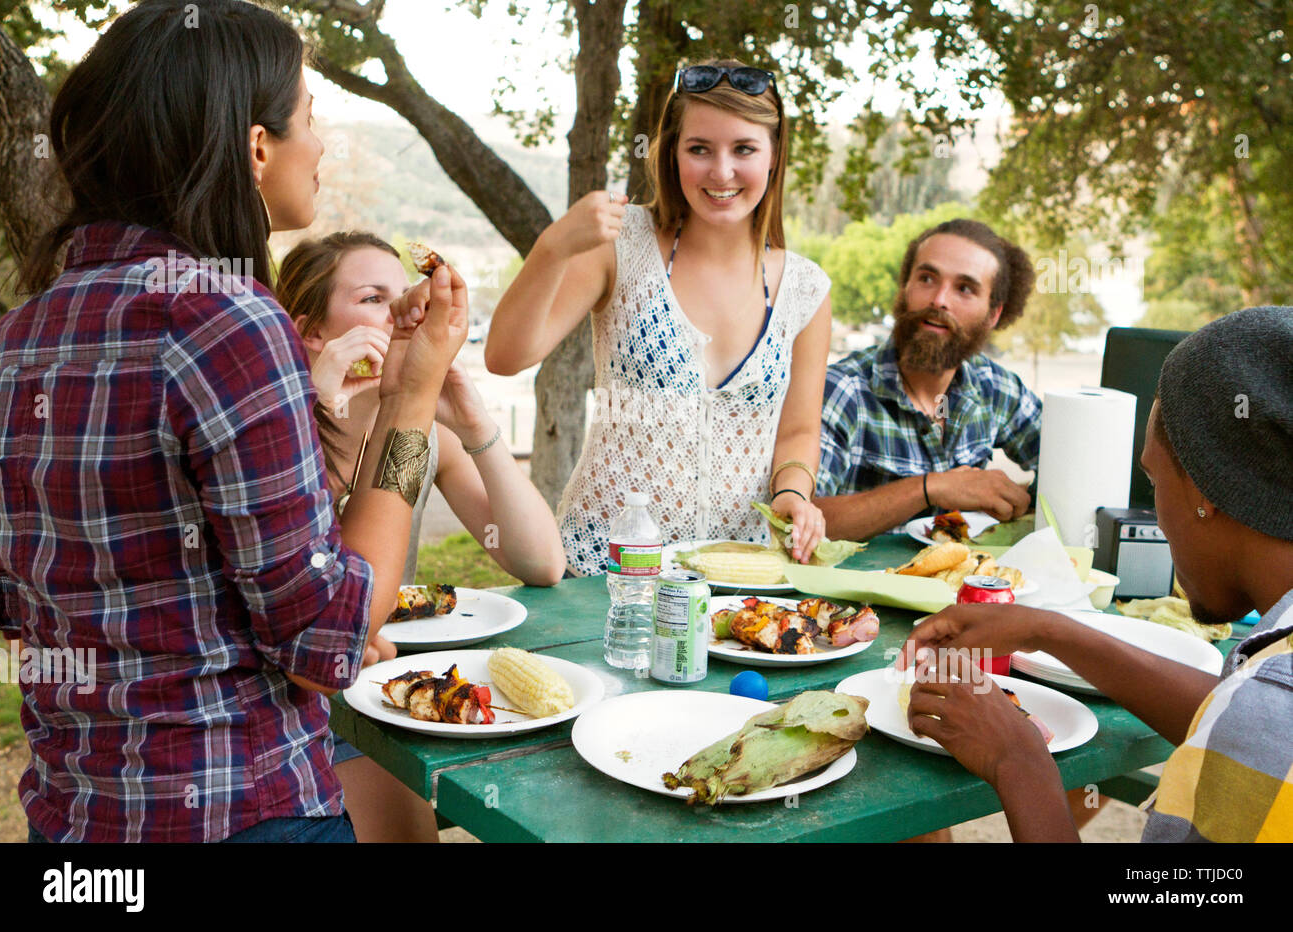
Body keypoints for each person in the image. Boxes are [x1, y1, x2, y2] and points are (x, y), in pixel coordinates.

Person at [0, 0, 467, 842]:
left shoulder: (22, 334)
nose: (319, 146)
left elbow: (16, 598)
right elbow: (330, 631)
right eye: (310, 120)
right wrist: (412, 397)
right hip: (242, 813)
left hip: (74, 824)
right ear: (257, 148)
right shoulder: (230, 323)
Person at [896, 306, 1293, 842]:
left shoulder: (1272, 704)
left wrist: (1019, 762)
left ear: (1204, 491)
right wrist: (1047, 630)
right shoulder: (1268, 696)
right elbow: (1233, 721)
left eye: (1153, 479)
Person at [487, 60, 831, 576]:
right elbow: (504, 356)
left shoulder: (805, 289)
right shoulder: (621, 247)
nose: (721, 171)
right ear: (671, 153)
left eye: (743, 149)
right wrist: (552, 247)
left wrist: (792, 493)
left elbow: (800, 429)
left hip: (735, 583)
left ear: (774, 155)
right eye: (699, 149)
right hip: (602, 575)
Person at [275, 231, 565, 841]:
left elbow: (539, 562)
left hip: (386, 690)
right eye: (373, 298)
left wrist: (475, 421)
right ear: (311, 329)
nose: (403, 311)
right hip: (302, 698)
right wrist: (316, 401)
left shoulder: (421, 429)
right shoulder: (274, 427)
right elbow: (295, 560)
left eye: (402, 294)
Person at [814, 219, 1040, 542]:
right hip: (858, 590)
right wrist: (933, 487)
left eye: (964, 288)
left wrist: (1014, 506)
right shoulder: (842, 391)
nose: (939, 300)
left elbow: (1071, 466)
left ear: (994, 314)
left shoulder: (998, 390)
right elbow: (801, 521)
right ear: (905, 288)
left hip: (967, 589)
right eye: (927, 279)